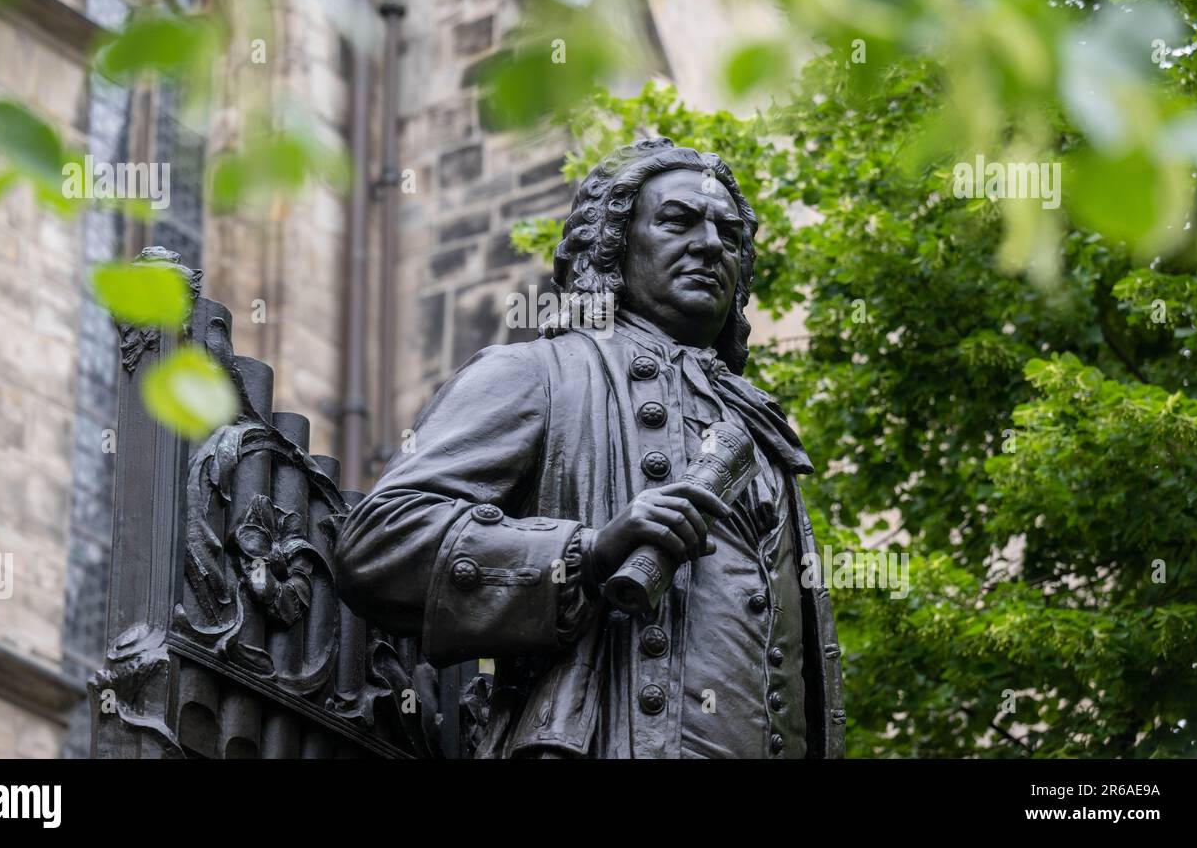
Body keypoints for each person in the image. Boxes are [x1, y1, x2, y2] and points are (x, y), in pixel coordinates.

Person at [335, 137, 844, 758]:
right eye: (678, 221)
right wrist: (585, 554)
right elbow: (379, 544)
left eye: (730, 236)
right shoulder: (538, 374)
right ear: (613, 244)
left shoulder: (762, 431)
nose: (712, 245)